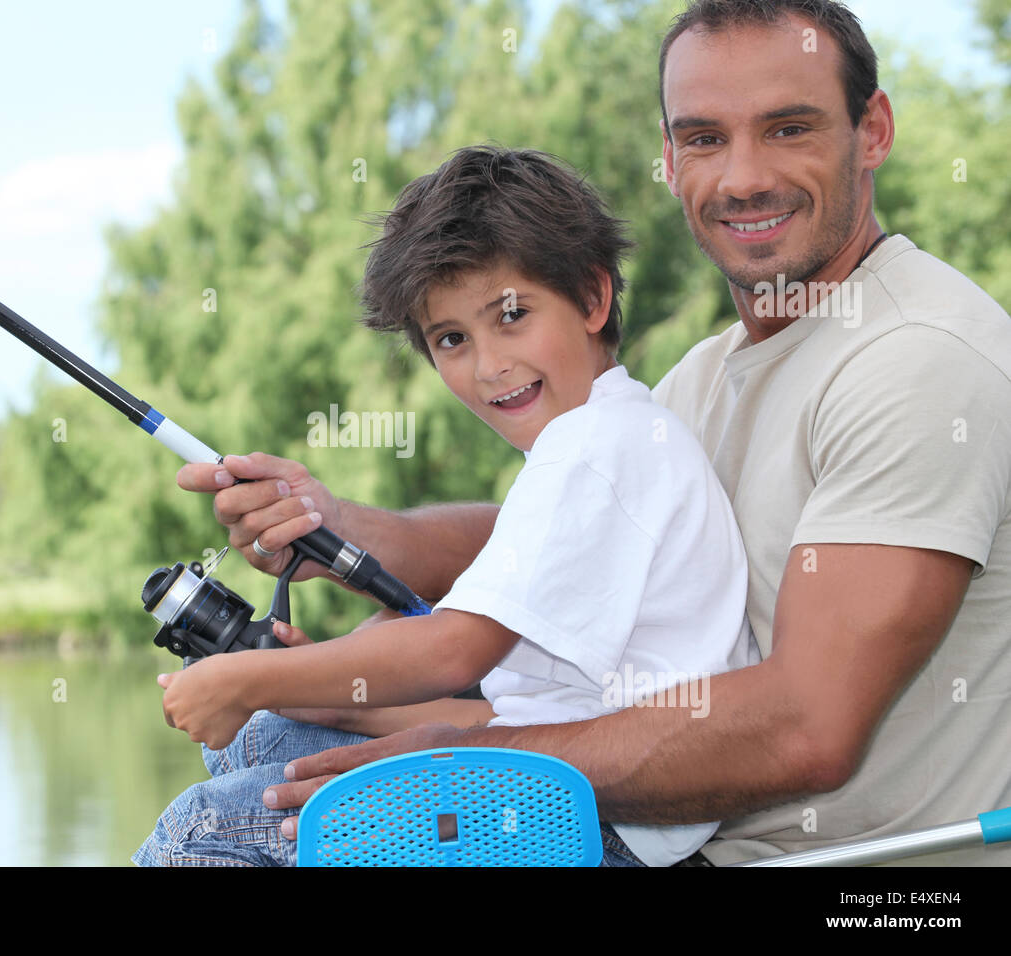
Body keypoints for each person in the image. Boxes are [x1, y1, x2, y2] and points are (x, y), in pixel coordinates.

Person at [161, 0, 1011, 866]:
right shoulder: (702, 377)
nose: (744, 175)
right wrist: (332, 526)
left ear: (873, 130)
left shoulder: (916, 360)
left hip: (823, 880)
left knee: (207, 833)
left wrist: (471, 760)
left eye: (788, 128)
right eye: (705, 138)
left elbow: (807, 728)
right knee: (262, 743)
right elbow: (559, 543)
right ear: (671, 161)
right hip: (667, 835)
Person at [134, 146, 756, 867]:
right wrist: (330, 695)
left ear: (592, 299)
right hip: (556, 786)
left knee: (199, 830)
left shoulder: (594, 450)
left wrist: (246, 676)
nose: (489, 364)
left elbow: (452, 648)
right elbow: (517, 715)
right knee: (263, 737)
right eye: (452, 339)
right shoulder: (603, 439)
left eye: (512, 315)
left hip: (601, 828)